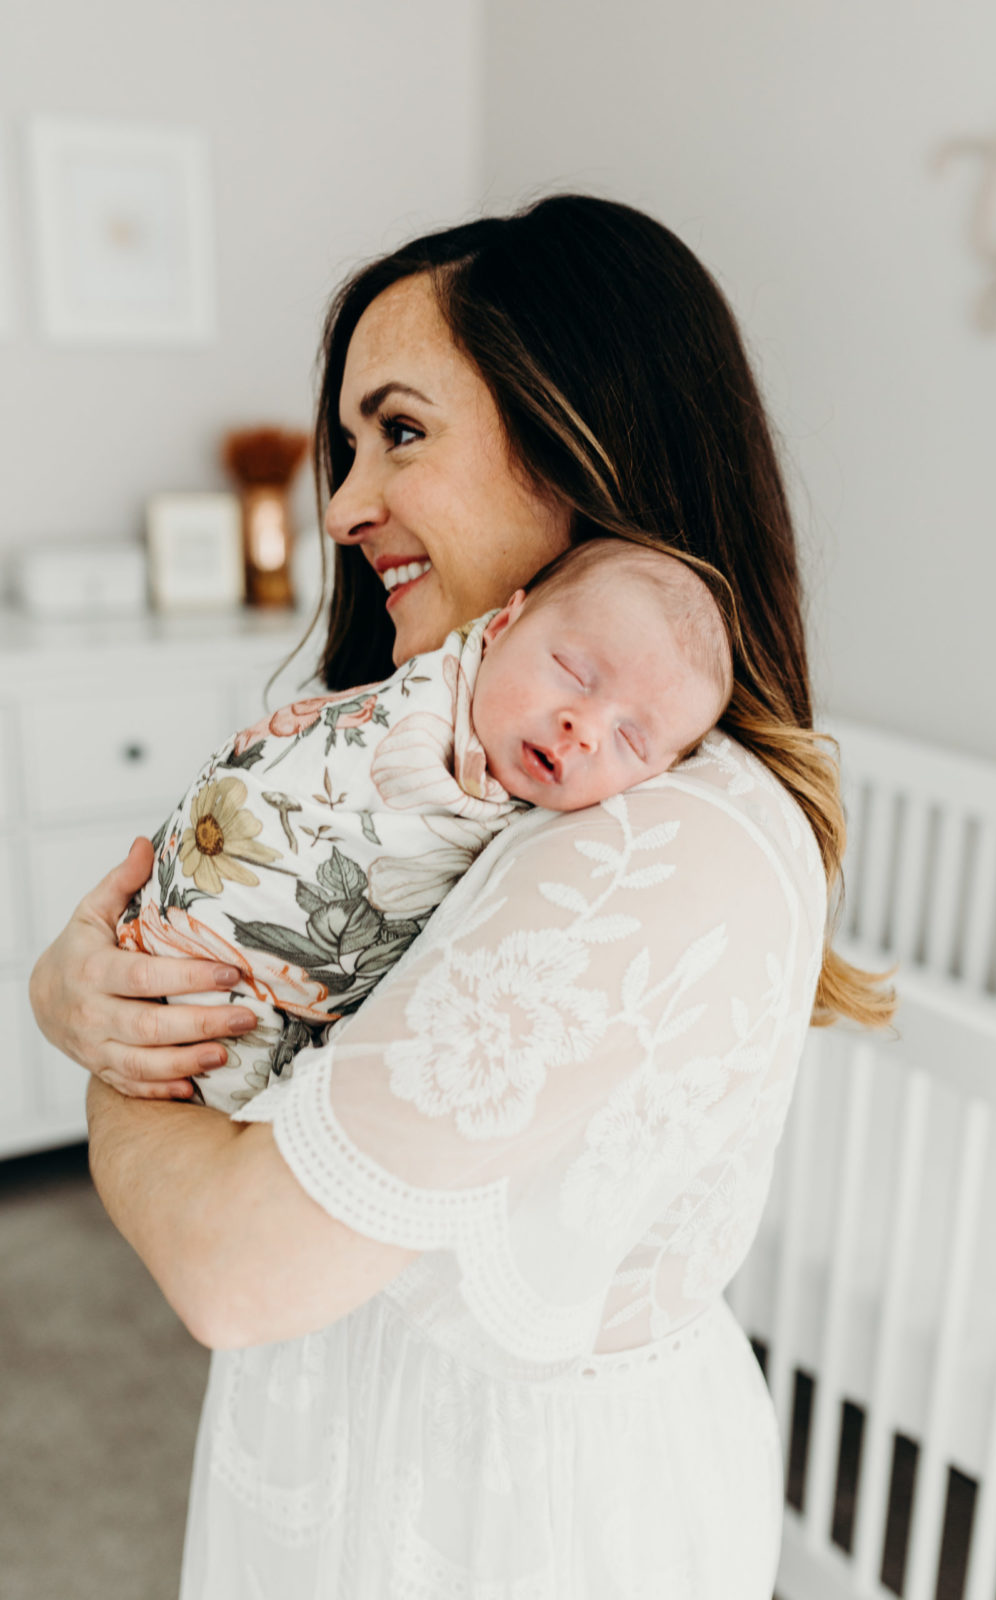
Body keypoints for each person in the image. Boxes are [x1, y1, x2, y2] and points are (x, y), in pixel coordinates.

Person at [30, 193, 894, 1599]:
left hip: (513, 1519)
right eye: (347, 444)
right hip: (352, 1420)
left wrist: (112, 1067)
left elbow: (236, 1269)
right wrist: (87, 978)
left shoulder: (651, 841)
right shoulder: (462, 768)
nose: (344, 503)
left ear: (579, 436)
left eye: (402, 431)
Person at [117, 537, 730, 1115]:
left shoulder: (613, 837)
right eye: (572, 671)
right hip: (212, 922)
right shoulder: (425, 712)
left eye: (630, 739)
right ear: (501, 625)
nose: (586, 727)